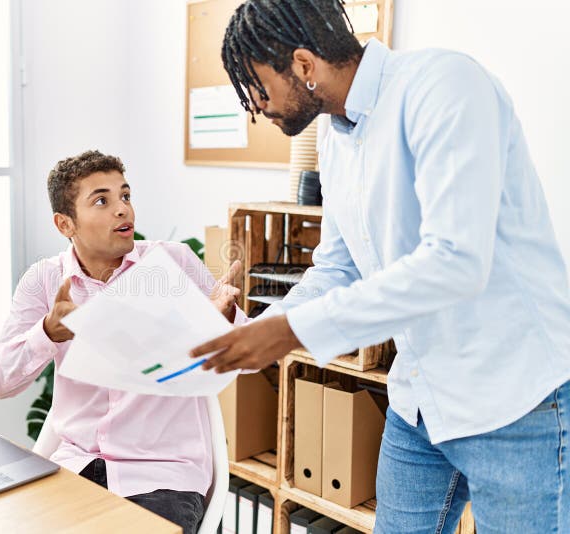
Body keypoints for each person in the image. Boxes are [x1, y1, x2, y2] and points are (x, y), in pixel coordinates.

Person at [190, 1, 570, 532]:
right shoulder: (334, 134)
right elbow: (336, 268)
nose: (258, 107)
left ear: (303, 65)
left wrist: (290, 330)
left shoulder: (443, 86)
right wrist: (258, 330)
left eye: (259, 88)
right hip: (420, 400)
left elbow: (456, 261)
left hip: (513, 399)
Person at [0, 150, 244, 534]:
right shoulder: (43, 281)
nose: (123, 210)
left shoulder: (171, 264)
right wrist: (47, 333)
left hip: (161, 476)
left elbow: (244, 355)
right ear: (64, 223)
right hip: (76, 465)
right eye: (101, 201)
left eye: (125, 195)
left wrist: (222, 320)